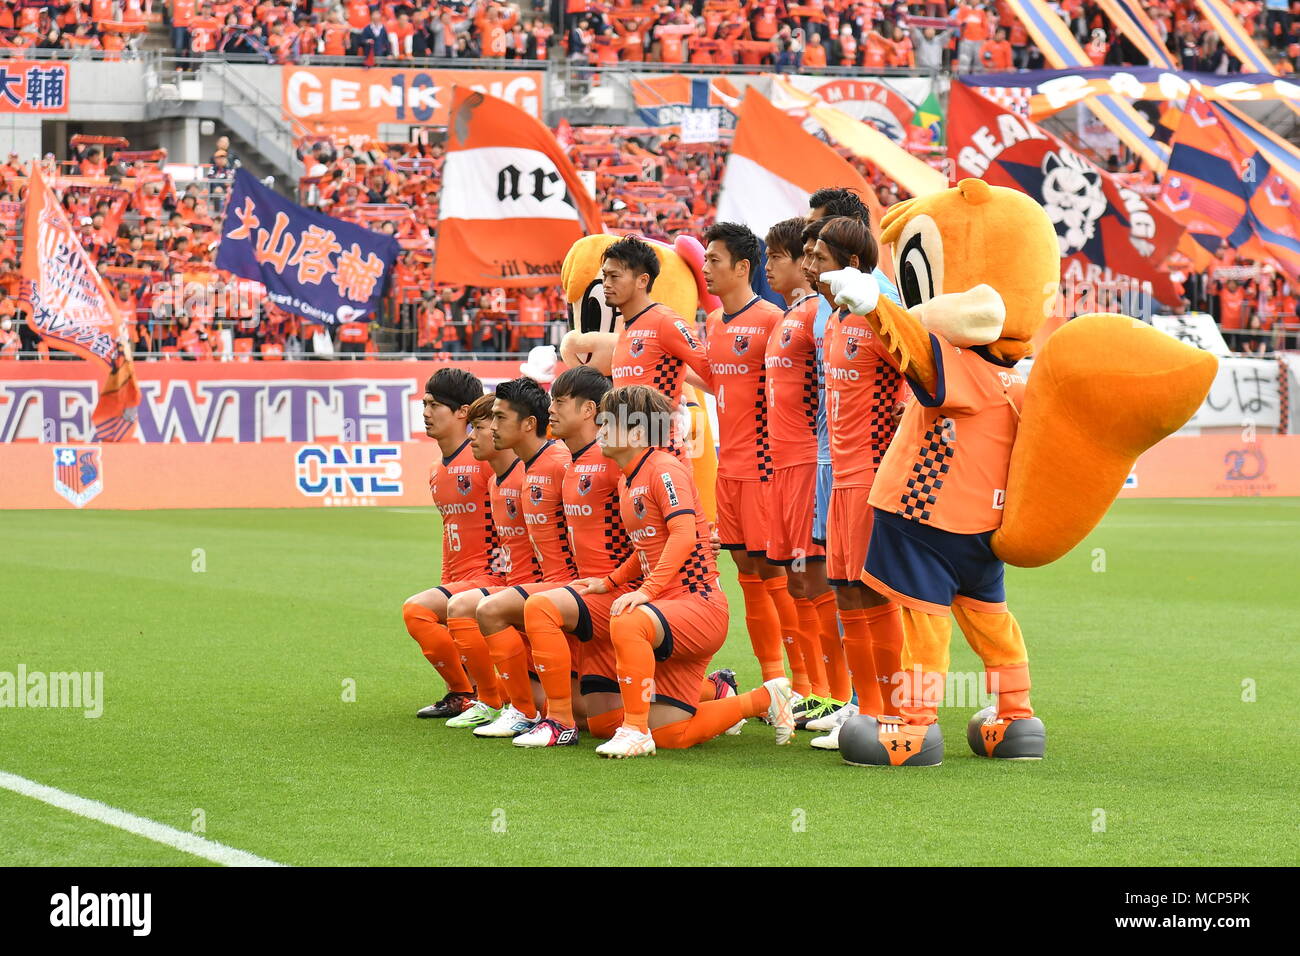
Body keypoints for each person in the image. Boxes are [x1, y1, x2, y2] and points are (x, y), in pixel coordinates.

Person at [575, 384, 796, 758]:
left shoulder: (663, 469)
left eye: (607, 423)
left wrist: (644, 592)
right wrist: (610, 582)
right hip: (671, 611)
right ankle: (765, 698)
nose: (599, 431)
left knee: (628, 619)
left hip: (699, 606)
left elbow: (684, 535)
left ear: (637, 433)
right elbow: (647, 550)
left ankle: (633, 731)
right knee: (673, 734)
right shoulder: (627, 478)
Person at [805, 216, 909, 749]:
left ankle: (894, 714)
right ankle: (863, 712)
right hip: (838, 477)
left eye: (819, 259)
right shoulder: (833, 321)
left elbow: (920, 380)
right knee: (844, 592)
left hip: (871, 477)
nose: (810, 268)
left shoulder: (880, 319)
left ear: (849, 264)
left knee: (874, 595)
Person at [699, 222, 802, 693]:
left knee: (777, 578)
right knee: (747, 578)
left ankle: (806, 685)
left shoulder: (771, 319)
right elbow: (718, 382)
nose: (706, 269)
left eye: (714, 260)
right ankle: (773, 683)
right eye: (704, 259)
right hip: (729, 470)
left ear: (743, 267)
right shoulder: (715, 324)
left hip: (764, 471)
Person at [512, 366, 632, 747]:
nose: (551, 410)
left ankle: (556, 721)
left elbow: (652, 519)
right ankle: (714, 690)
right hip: (586, 590)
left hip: (615, 591)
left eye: (560, 402)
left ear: (588, 410)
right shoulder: (572, 464)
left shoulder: (612, 459)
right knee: (601, 721)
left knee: (536, 607)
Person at [761, 217, 847, 735]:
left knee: (819, 580)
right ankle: (815, 690)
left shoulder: (818, 311)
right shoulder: (790, 315)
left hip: (808, 463)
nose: (770, 266)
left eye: (777, 257)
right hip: (782, 464)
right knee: (798, 582)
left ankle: (840, 695)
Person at [456, 378, 579, 739]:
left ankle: (522, 710)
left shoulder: (558, 463)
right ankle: (512, 705)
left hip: (573, 588)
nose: (492, 428)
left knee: (488, 609)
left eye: (498, 418)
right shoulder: (527, 469)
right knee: (594, 709)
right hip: (547, 589)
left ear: (528, 424)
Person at [400, 369, 499, 719]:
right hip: (461, 577)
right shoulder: (435, 470)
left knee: (416, 610)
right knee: (434, 615)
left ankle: (467, 693)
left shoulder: (487, 460)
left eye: (435, 405)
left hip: (493, 576)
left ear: (463, 412)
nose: (426, 412)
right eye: (424, 404)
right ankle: (474, 692)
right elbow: (451, 530)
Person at [444, 394, 542, 730]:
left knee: (596, 714)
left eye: (481, 427)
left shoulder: (526, 478)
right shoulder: (493, 482)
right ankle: (491, 700)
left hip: (540, 590)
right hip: (514, 585)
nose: (472, 436)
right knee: (458, 606)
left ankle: (519, 708)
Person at [600, 235, 711, 457]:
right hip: (630, 460)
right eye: (604, 275)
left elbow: (716, 376)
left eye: (614, 276)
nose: (606, 283)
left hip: (663, 455)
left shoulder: (666, 321)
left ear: (642, 280)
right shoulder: (627, 327)